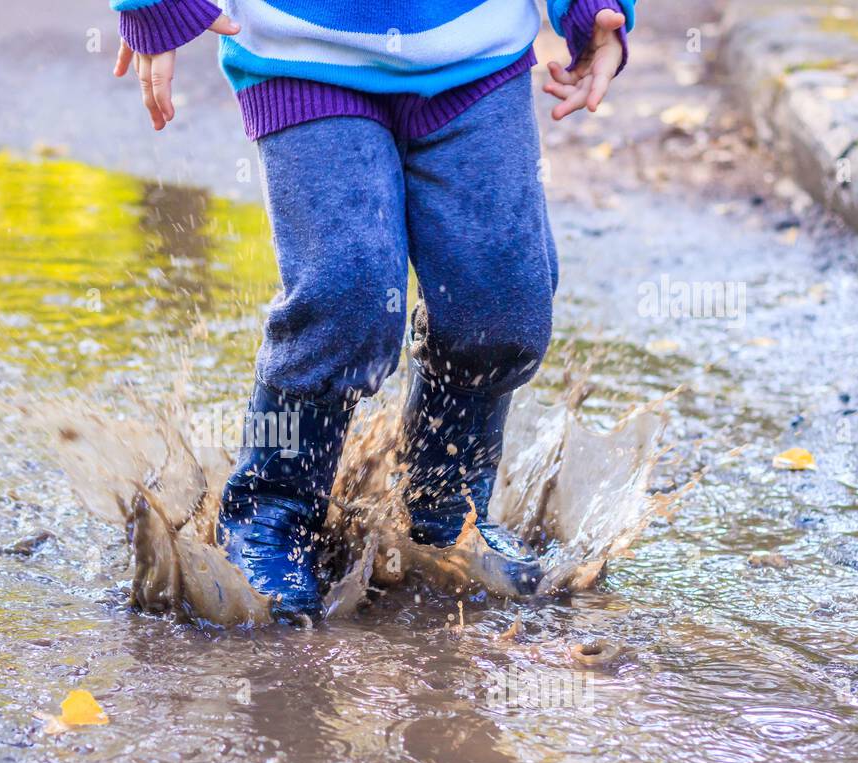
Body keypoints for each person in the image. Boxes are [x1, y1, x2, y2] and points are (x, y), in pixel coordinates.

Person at [111, 0, 633, 621]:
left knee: (499, 306)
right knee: (346, 293)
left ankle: (446, 507)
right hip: (307, 55)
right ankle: (273, 509)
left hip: (476, 55)